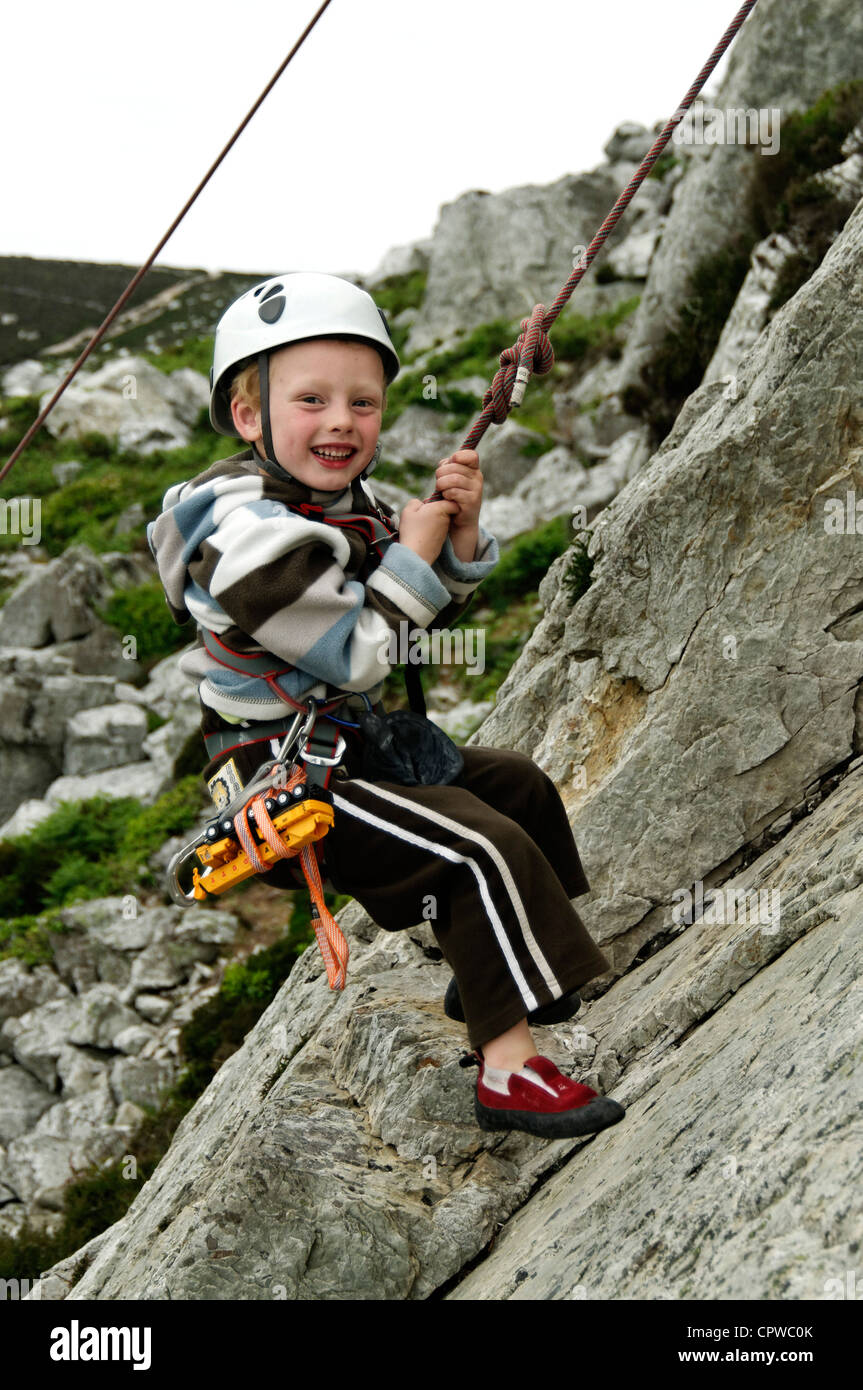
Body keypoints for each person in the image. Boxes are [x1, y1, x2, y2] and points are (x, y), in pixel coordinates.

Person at [146, 271, 625, 1140]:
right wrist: (408, 556)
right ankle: (508, 1071)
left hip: (348, 745)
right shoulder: (241, 535)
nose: (341, 421)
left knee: (516, 786)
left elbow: (403, 620)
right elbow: (360, 650)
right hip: (290, 782)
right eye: (312, 400)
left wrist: (458, 542)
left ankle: (489, 970)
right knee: (477, 848)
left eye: (363, 403)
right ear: (249, 417)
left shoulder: (337, 503)